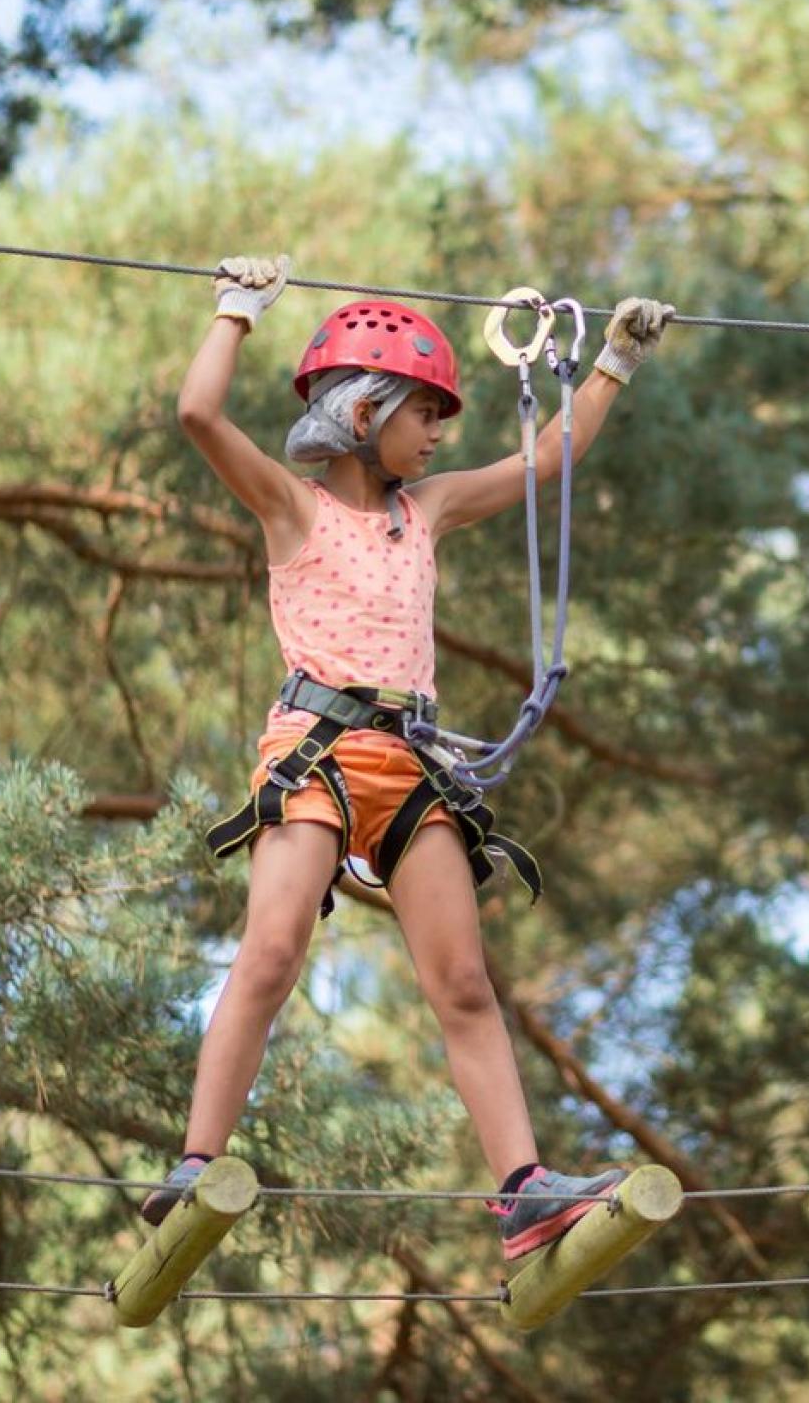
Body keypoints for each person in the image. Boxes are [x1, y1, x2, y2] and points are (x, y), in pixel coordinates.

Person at [148, 255, 672, 1260]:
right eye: (424, 411)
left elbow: (546, 462)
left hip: (412, 766)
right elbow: (199, 417)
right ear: (361, 412)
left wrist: (612, 363)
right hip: (317, 751)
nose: (438, 432)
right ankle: (194, 1163)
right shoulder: (295, 508)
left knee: (465, 983)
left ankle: (522, 1188)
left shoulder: (422, 514)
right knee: (268, 952)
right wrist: (236, 313)